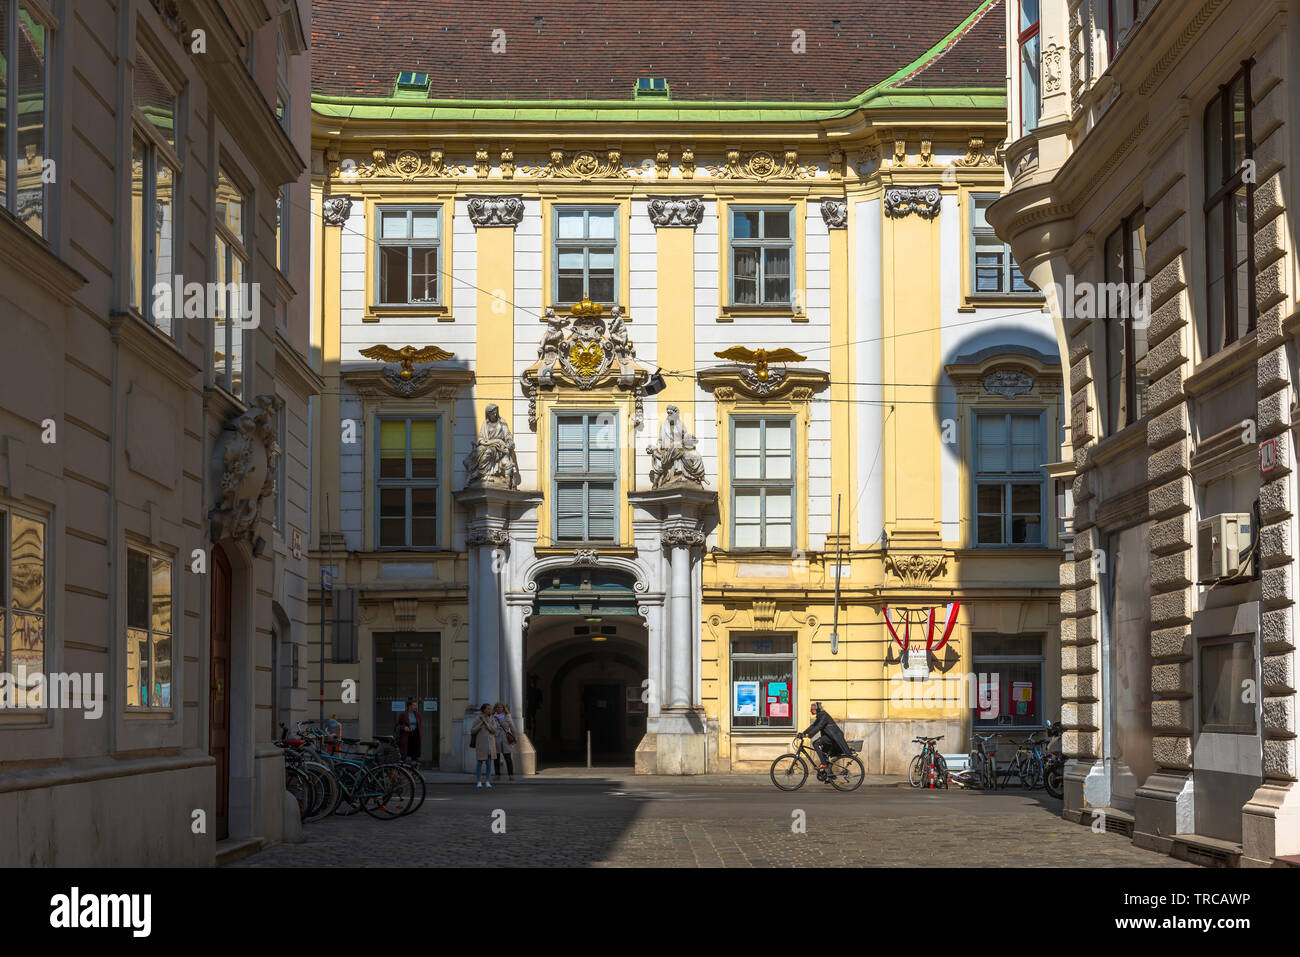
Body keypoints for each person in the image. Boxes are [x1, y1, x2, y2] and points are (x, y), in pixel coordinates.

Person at [801, 701, 850, 770]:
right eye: (811, 709)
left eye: (812, 709)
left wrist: (809, 735)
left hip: (833, 737)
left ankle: (823, 764)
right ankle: (830, 775)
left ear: (817, 709)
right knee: (824, 755)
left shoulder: (824, 715)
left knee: (815, 743)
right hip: (830, 736)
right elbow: (813, 726)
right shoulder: (820, 715)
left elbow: (819, 726)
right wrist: (803, 733)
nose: (811, 711)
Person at [469, 703, 499, 788]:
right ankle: (478, 781)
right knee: (479, 763)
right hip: (481, 745)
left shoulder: (492, 718)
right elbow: (472, 731)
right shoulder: (478, 718)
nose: (490, 710)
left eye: (490, 708)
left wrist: (486, 723)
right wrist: (481, 723)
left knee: (489, 764)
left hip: (490, 745)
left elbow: (494, 730)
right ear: (484, 710)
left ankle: (487, 781)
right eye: (488, 709)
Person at [492, 702, 517, 781]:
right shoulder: (492, 717)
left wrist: (514, 739)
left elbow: (513, 728)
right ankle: (497, 775)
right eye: (497, 707)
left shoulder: (508, 716)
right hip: (496, 738)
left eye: (501, 707)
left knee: (508, 758)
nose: (499, 709)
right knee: (496, 758)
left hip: (506, 739)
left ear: (503, 708)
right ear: (495, 708)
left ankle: (511, 775)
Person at [396, 698, 422, 766]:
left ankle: (413, 766)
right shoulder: (403, 714)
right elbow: (397, 725)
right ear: (409, 706)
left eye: (416, 705)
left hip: (415, 734)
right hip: (406, 735)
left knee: (415, 751)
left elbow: (419, 724)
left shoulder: (417, 714)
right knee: (405, 751)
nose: (416, 707)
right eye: (414, 705)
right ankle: (403, 766)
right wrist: (404, 727)